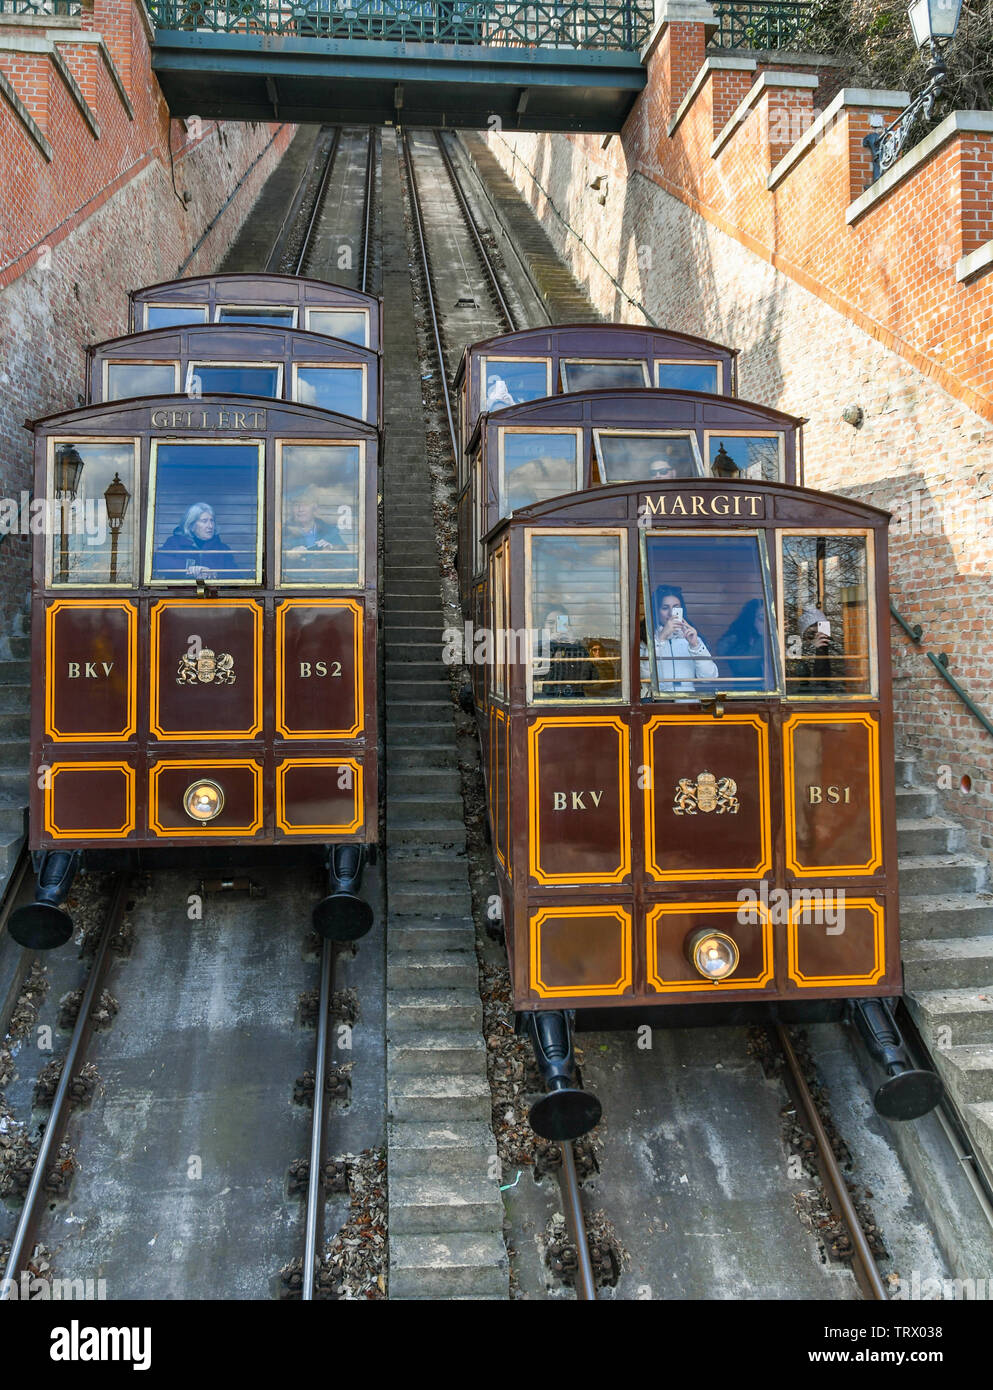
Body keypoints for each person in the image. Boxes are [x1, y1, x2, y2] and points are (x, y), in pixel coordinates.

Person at [643, 585, 718, 693]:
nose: (671, 613)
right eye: (665, 608)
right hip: (659, 702)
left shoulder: (690, 636)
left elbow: (710, 677)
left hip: (688, 702)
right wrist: (661, 638)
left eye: (676, 608)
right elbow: (645, 675)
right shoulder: (646, 637)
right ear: (656, 611)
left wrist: (695, 645)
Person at [155, 502, 237, 580]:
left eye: (212, 521)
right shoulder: (175, 543)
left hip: (212, 594)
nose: (210, 526)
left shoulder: (222, 548)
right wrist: (189, 567)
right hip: (180, 594)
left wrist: (216, 574)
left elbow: (236, 577)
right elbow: (157, 561)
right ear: (191, 525)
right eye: (204, 521)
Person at [535, 609, 596, 699]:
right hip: (544, 701)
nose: (555, 627)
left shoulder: (576, 648)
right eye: (551, 623)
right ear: (543, 626)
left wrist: (575, 644)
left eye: (561, 624)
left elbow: (591, 677)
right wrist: (550, 644)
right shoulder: (538, 647)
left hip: (574, 700)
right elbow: (534, 675)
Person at [716, 598, 768, 687]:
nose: (766, 622)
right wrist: (764, 639)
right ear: (751, 619)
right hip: (746, 695)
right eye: (762, 618)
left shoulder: (771, 638)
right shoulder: (737, 639)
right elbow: (743, 667)